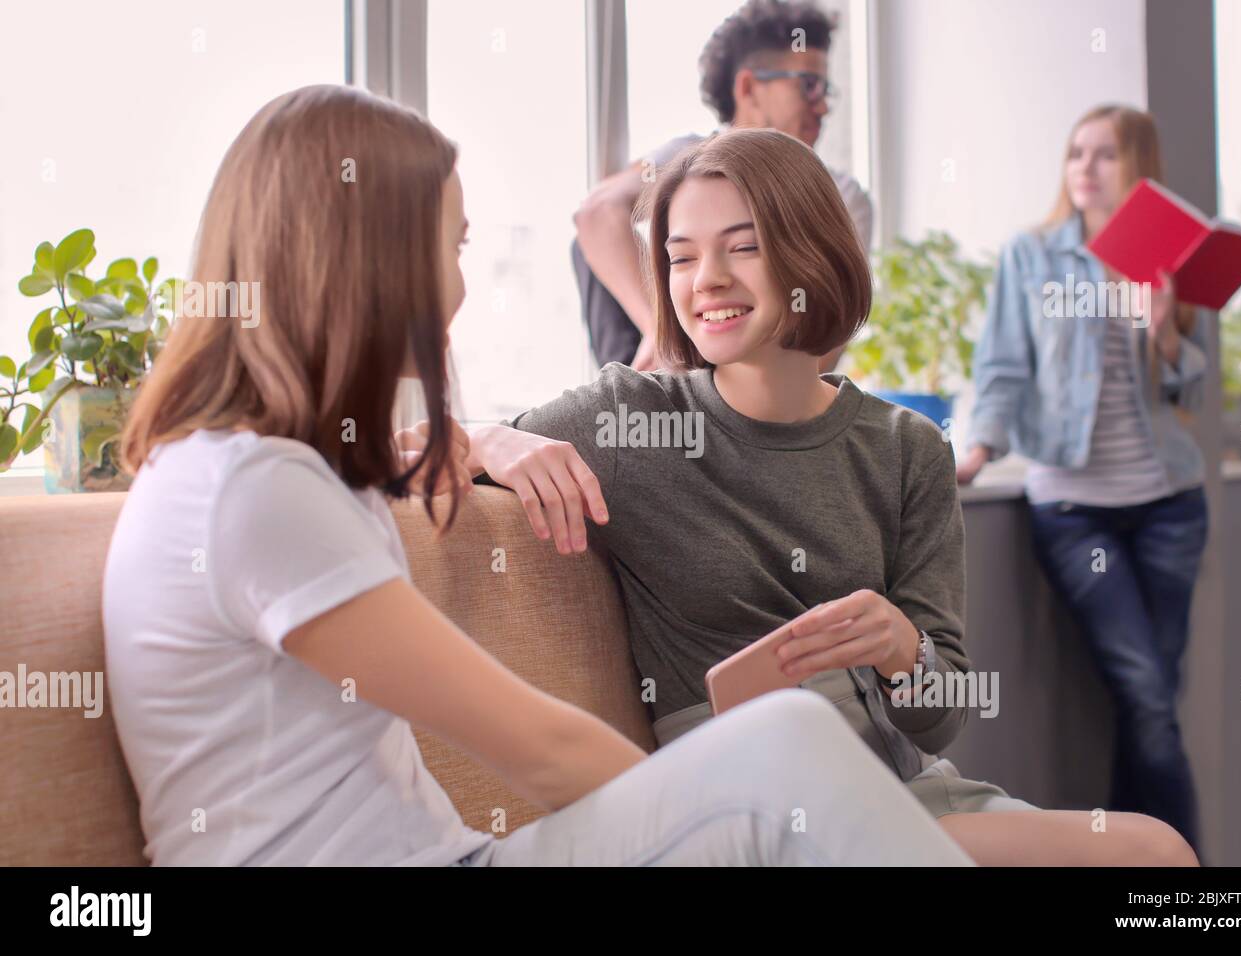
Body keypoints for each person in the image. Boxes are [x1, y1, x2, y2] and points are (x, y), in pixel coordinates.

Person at [101, 84, 977, 867]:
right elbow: (542, 750)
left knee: (787, 741)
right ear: (367, 260)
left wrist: (477, 439)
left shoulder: (271, 471)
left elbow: (407, 450)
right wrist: (708, 816)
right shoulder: (253, 490)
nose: (457, 288)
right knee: (780, 757)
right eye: (451, 247)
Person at [448, 127, 1198, 866]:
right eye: (681, 258)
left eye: (741, 247)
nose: (704, 278)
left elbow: (942, 717)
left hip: (904, 790)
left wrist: (903, 651)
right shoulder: (629, 420)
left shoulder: (906, 448)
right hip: (749, 810)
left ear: (811, 252)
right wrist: (493, 439)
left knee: (1158, 857)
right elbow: (395, 450)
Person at [956, 105, 1209, 855]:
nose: (1085, 168)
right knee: (1148, 701)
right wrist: (977, 450)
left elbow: (1194, 394)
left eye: (1105, 154)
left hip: (1170, 506)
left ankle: (1130, 864)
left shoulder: (1168, 259)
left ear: (1140, 166)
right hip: (1074, 510)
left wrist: (1164, 328)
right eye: (1076, 152)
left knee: (1152, 704)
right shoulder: (1031, 256)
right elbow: (1002, 369)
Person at [573, 0, 871, 373]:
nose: (823, 106)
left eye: (746, 246)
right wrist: (661, 332)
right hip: (676, 359)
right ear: (748, 87)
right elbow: (597, 212)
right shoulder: (684, 158)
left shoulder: (841, 195)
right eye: (809, 86)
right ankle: (649, 392)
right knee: (591, 247)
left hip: (767, 375)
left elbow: (823, 351)